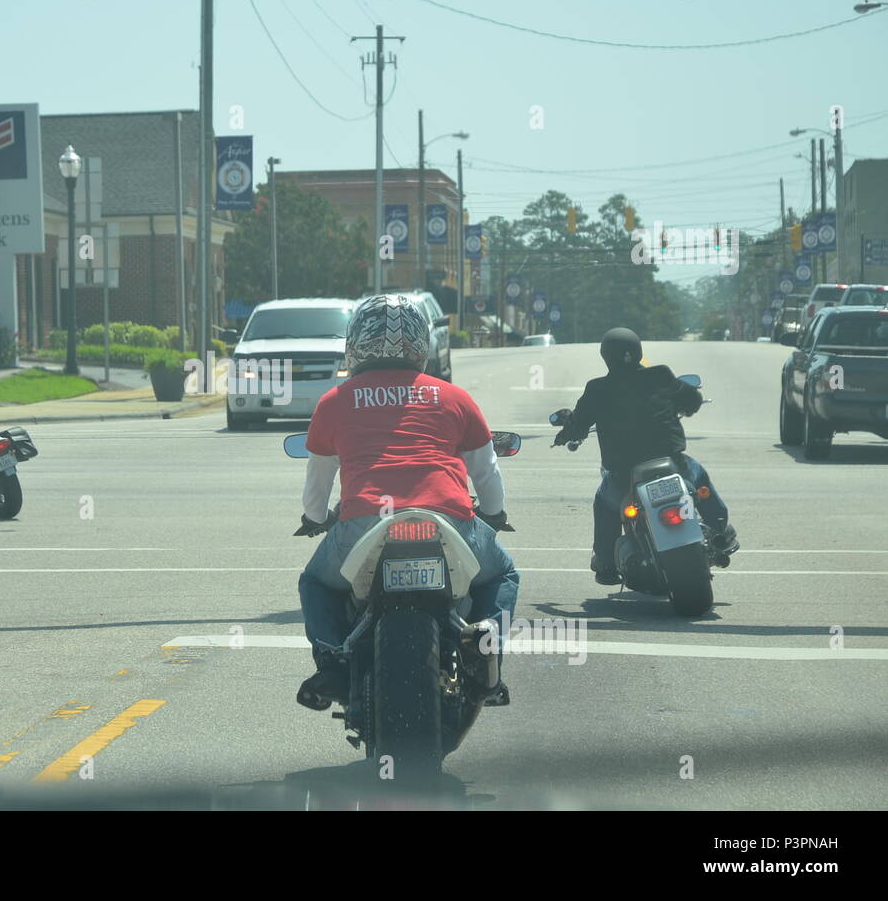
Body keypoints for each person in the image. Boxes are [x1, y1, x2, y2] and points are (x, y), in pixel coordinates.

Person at [295, 294, 520, 710]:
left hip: (363, 524)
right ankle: (486, 642)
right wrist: (493, 514)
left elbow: (317, 486)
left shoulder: (335, 402)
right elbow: (487, 473)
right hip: (449, 522)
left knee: (315, 582)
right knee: (502, 574)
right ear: (421, 343)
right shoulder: (453, 397)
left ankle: (330, 660)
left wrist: (315, 519)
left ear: (355, 341)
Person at [553, 327, 737, 586]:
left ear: (606, 357)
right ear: (638, 351)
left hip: (624, 477)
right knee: (699, 475)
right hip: (673, 466)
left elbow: (577, 424)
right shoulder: (660, 375)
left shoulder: (597, 389)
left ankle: (605, 562)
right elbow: (692, 399)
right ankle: (720, 530)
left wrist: (565, 434)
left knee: (604, 504)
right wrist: (686, 404)